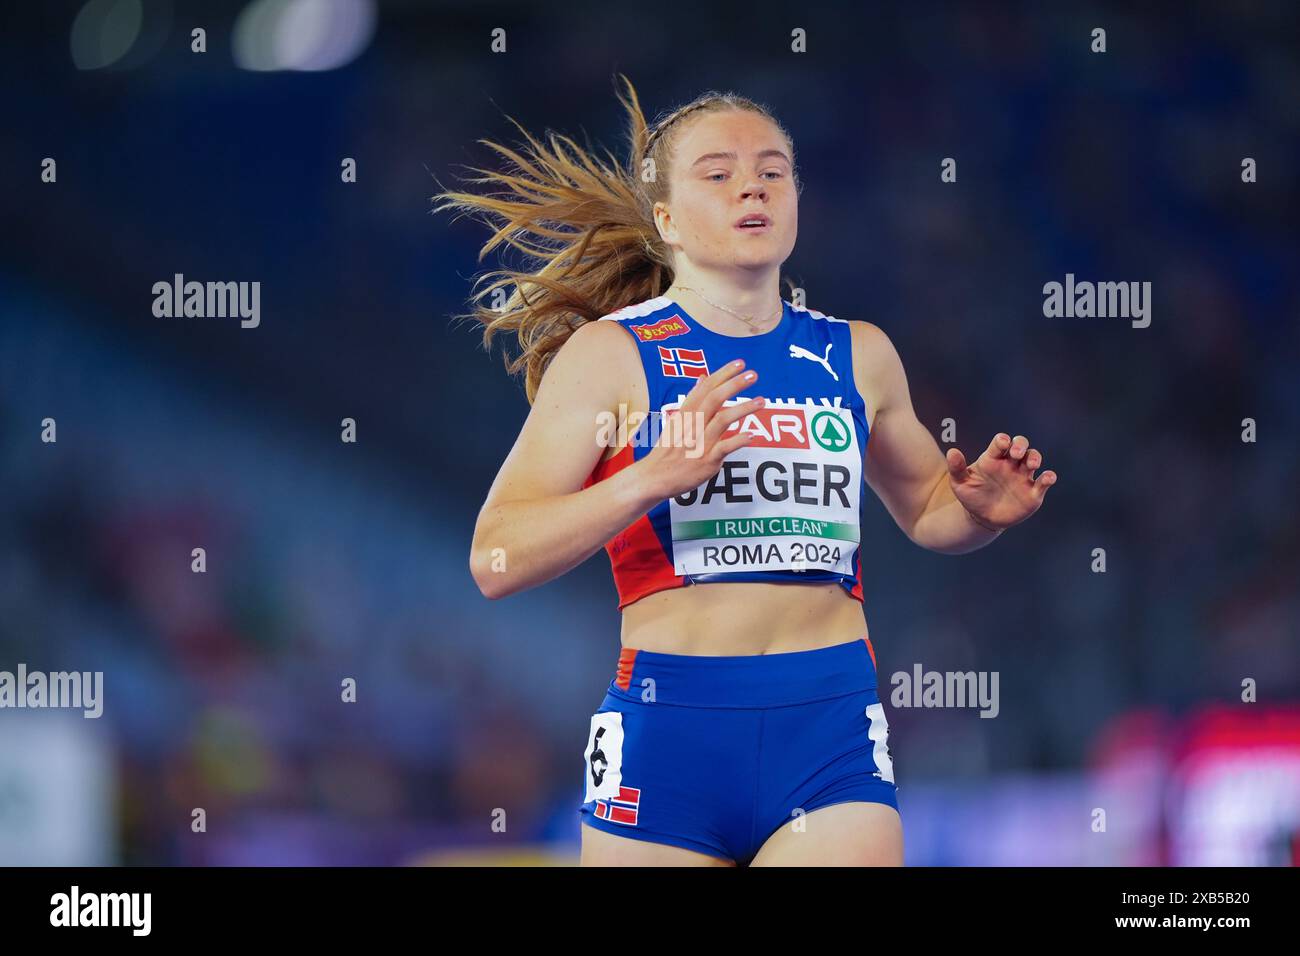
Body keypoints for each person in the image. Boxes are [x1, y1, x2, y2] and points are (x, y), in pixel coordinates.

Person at [434, 75, 1056, 866]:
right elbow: (495, 559)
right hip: (667, 738)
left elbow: (929, 511)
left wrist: (976, 513)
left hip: (828, 731)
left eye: (771, 170)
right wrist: (650, 476)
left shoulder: (858, 355)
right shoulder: (611, 357)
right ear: (666, 219)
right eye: (718, 173)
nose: (751, 187)